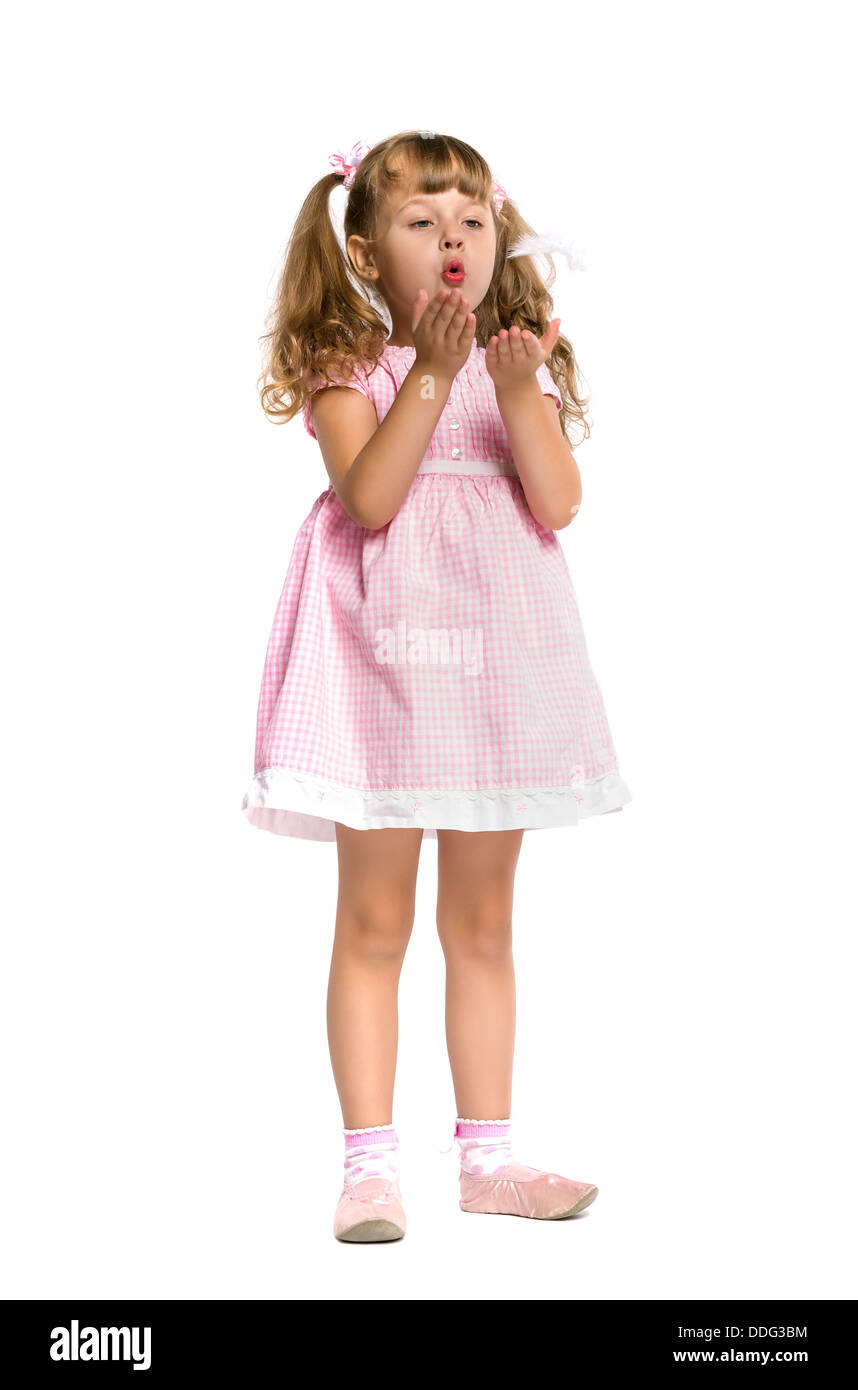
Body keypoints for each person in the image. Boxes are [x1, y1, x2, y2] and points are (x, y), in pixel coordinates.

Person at [240, 130, 632, 1242]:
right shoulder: (350, 367)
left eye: (470, 216)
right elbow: (370, 499)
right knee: (372, 920)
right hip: (382, 671)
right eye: (422, 219)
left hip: (494, 678)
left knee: (485, 924)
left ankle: (490, 1158)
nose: (453, 235)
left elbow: (556, 503)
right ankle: (369, 1166)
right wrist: (436, 373)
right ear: (367, 252)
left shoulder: (516, 358)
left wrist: (516, 391)